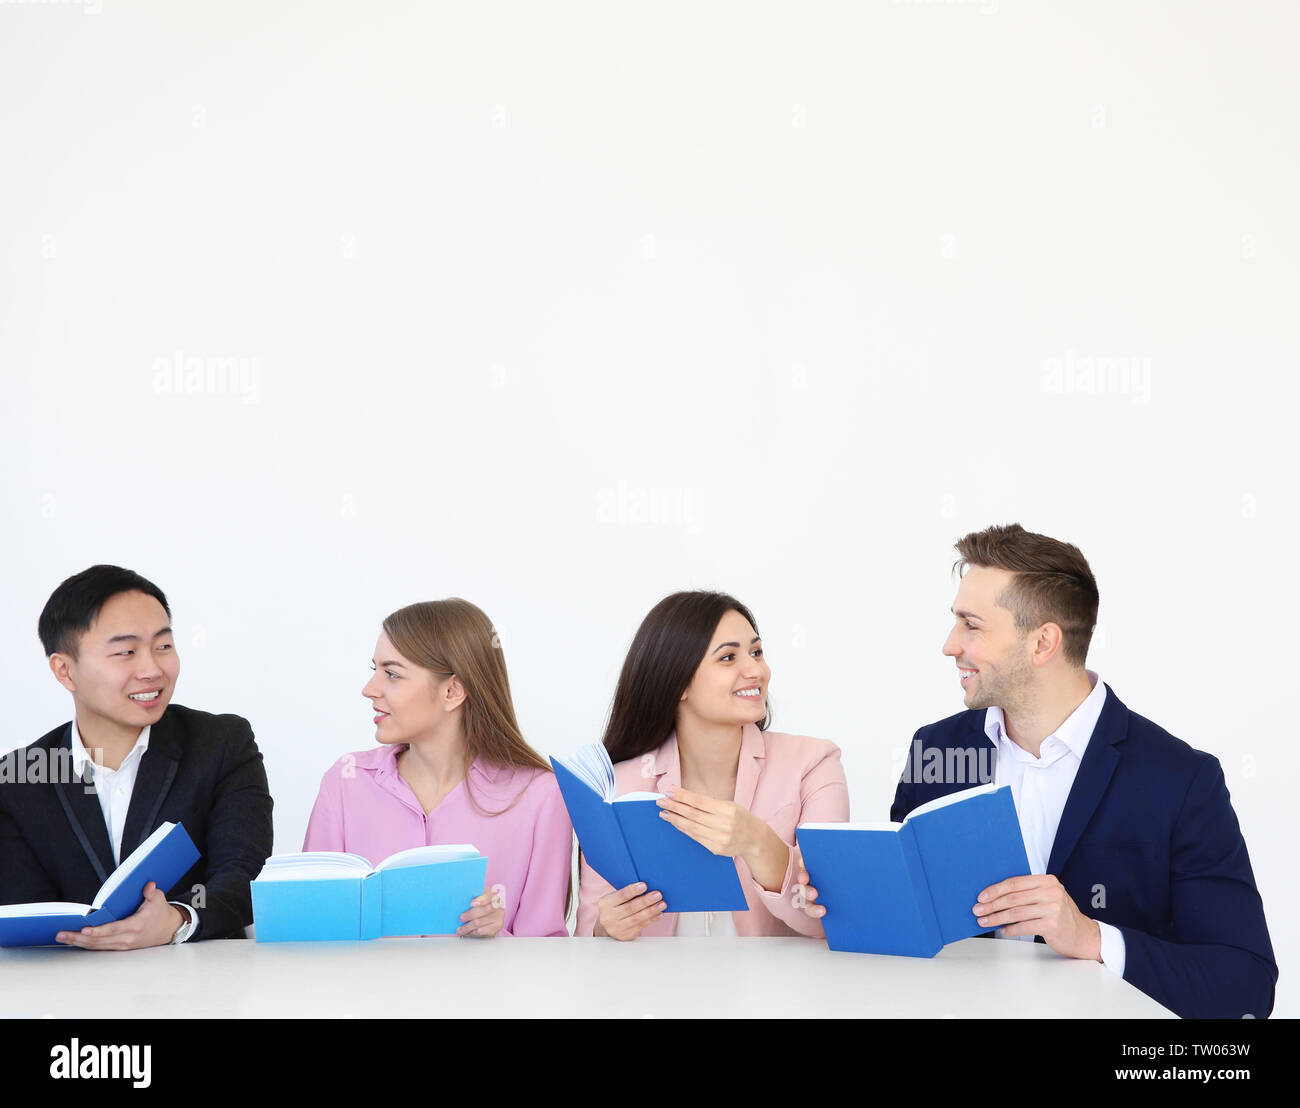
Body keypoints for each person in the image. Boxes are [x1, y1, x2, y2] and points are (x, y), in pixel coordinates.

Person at [798, 524, 1277, 1018]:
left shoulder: (1180, 780)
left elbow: (1245, 987)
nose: (949, 645)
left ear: (1043, 643)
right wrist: (841, 896)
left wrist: (1092, 938)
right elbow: (907, 925)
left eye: (972, 625)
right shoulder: (936, 749)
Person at [0, 565, 273, 947]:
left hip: (202, 990)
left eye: (163, 646)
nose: (152, 669)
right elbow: (22, 910)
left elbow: (247, 873)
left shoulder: (222, 744)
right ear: (65, 670)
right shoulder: (20, 776)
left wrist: (178, 919)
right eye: (125, 652)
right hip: (73, 995)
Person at [576, 590, 848, 939]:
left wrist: (757, 841)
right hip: (651, 991)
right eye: (728, 658)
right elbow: (585, 938)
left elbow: (832, 918)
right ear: (677, 683)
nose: (755, 670)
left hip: (777, 991)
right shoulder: (615, 789)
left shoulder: (813, 765)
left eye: (756, 652)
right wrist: (605, 929)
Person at [302, 599, 572, 937]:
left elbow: (547, 957)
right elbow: (310, 929)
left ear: (452, 690)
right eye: (375, 670)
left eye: (392, 674)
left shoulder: (540, 796)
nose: (369, 690)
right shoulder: (345, 782)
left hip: (491, 991)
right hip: (366, 990)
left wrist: (495, 935)